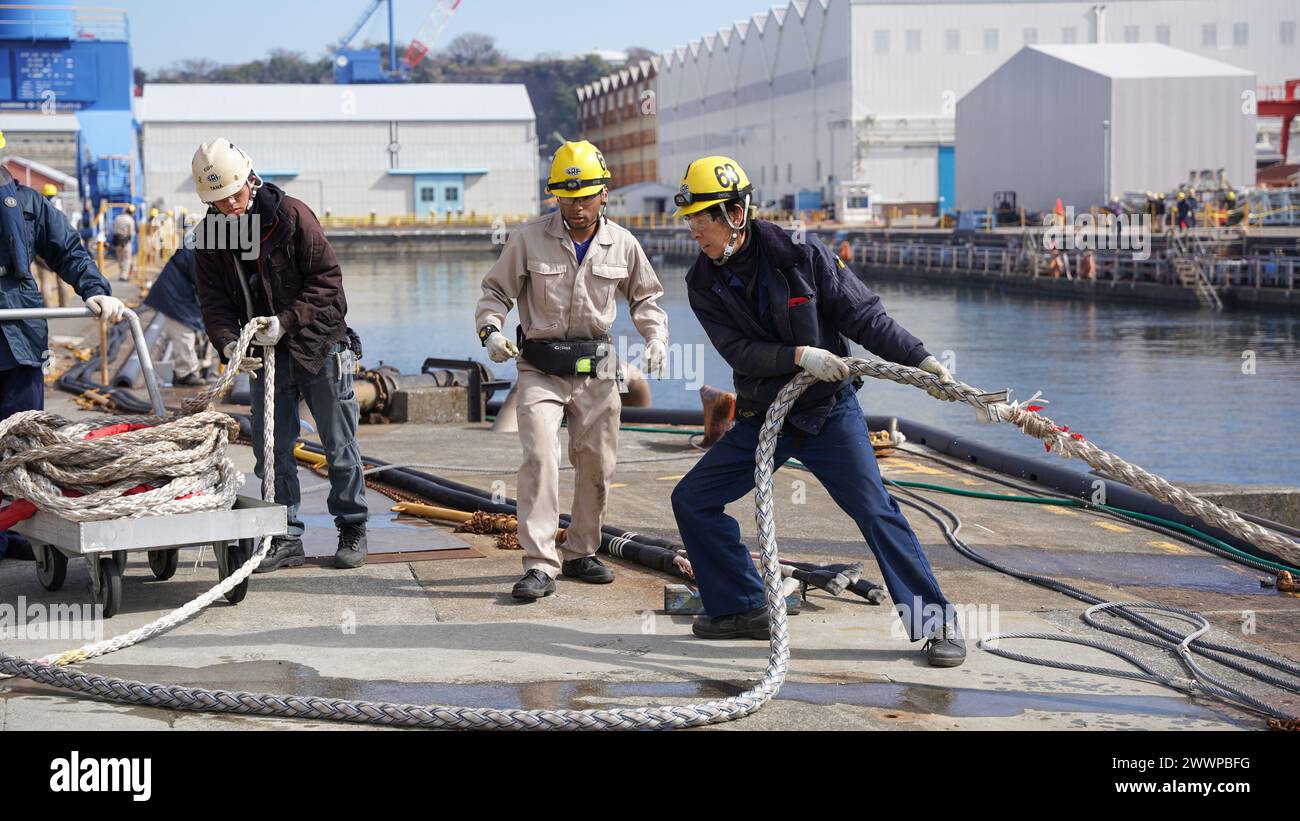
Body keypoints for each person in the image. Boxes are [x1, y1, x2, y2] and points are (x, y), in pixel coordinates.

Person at [667, 155, 966, 667]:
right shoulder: (703, 281)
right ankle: (742, 606)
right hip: (765, 418)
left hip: (828, 413)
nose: (693, 228)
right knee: (693, 500)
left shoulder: (803, 256)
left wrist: (922, 359)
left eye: (702, 217)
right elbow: (737, 351)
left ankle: (935, 624)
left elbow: (864, 316)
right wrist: (799, 357)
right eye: (690, 218)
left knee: (874, 509)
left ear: (736, 214)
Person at [475, 140, 669, 600]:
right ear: (555, 196)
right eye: (567, 196)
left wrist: (656, 337)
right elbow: (495, 292)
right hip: (541, 366)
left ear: (604, 193)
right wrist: (490, 332)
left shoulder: (622, 243)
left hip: (598, 365)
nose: (577, 206)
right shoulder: (528, 239)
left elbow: (646, 297)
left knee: (597, 463)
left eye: (585, 196)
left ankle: (582, 552)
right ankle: (541, 564)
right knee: (541, 457)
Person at [191, 138, 368, 572]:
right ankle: (284, 534)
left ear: (250, 179)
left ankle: (352, 525)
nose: (230, 206)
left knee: (338, 443)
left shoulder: (291, 216)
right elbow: (213, 302)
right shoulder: (209, 236)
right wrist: (230, 343)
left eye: (235, 194)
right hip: (264, 356)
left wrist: (286, 321)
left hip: (318, 344)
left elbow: (327, 281)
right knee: (272, 449)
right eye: (218, 200)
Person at [0, 130, 124, 560]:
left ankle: (17, 526)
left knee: (25, 445)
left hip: (19, 341)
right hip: (17, 331)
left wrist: (95, 290)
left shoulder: (29, 204)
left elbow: (68, 250)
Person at [143, 242, 212, 387]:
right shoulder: (202, 249)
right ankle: (185, 373)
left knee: (192, 330)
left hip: (181, 291)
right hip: (173, 294)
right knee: (183, 331)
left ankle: (191, 369)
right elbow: (203, 279)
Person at [110, 204, 136, 281]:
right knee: (127, 258)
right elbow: (131, 233)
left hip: (117, 240)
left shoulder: (117, 218)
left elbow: (113, 230)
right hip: (125, 241)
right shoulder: (130, 220)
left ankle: (121, 273)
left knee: (120, 258)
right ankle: (124, 276)